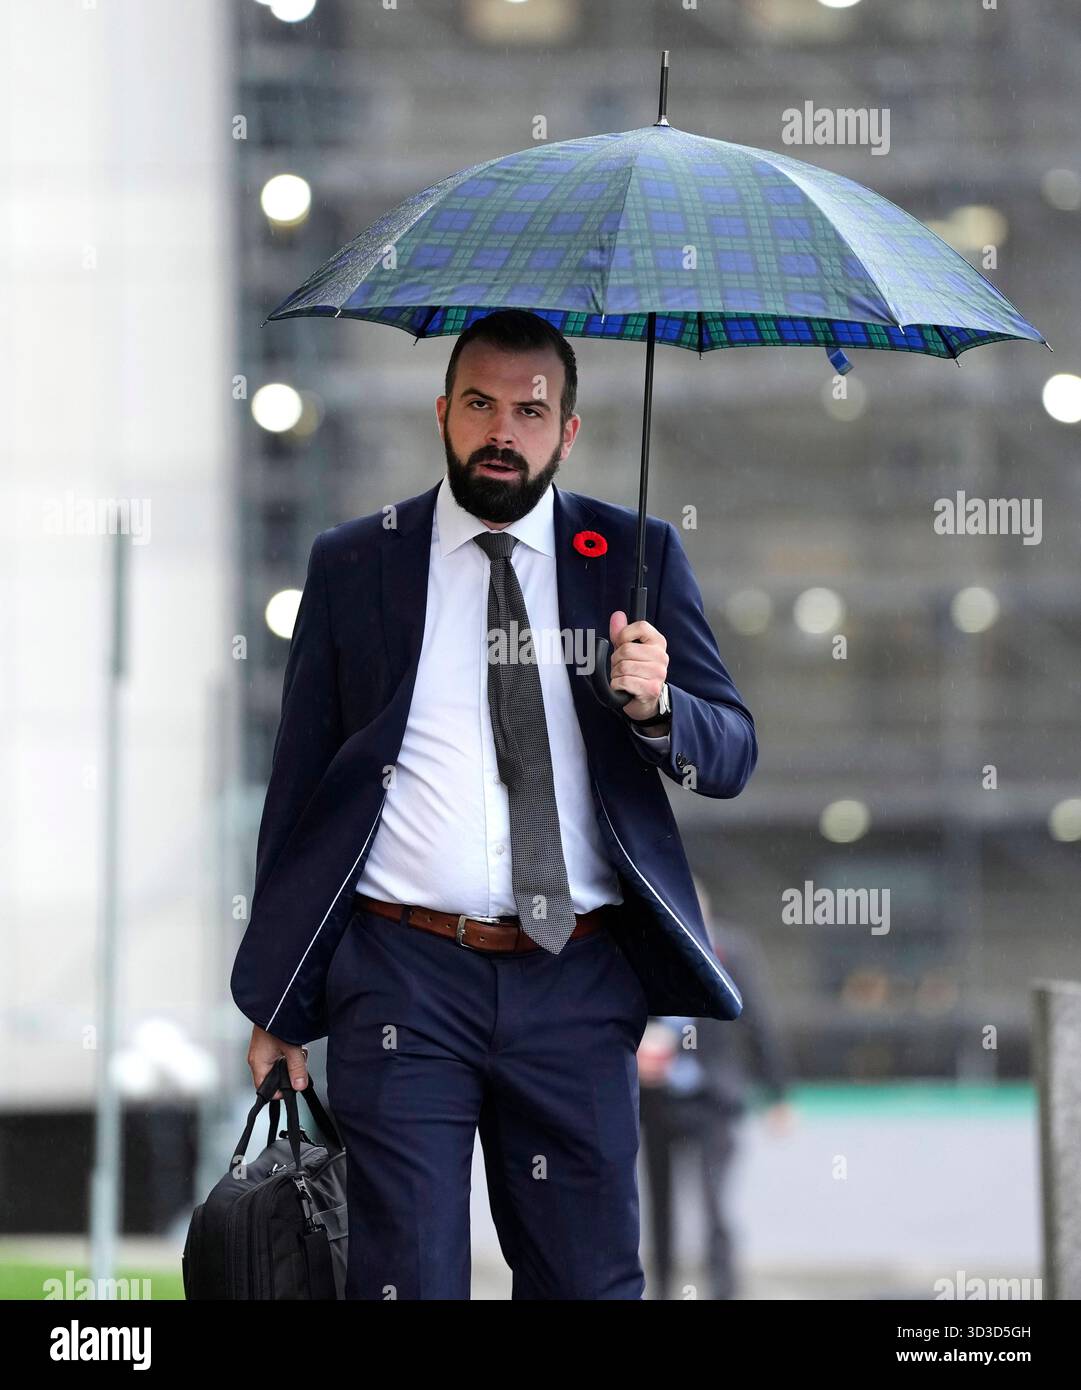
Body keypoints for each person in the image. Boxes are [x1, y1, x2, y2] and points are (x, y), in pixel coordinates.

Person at [230, 308, 758, 1299]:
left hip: (577, 979)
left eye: (530, 410)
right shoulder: (357, 561)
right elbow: (299, 793)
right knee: (407, 1279)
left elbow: (731, 752)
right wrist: (276, 1005)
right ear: (442, 412)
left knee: (587, 1282)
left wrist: (658, 706)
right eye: (479, 404)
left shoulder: (633, 555)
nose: (502, 431)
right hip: (402, 980)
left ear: (568, 431)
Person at [639, 875, 794, 1300]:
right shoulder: (649, 946)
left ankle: (723, 1290)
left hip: (714, 1100)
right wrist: (638, 1051)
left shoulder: (733, 951)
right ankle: (662, 1290)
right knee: (658, 1206)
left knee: (715, 1204)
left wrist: (778, 1095)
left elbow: (758, 1022)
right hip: (657, 1101)